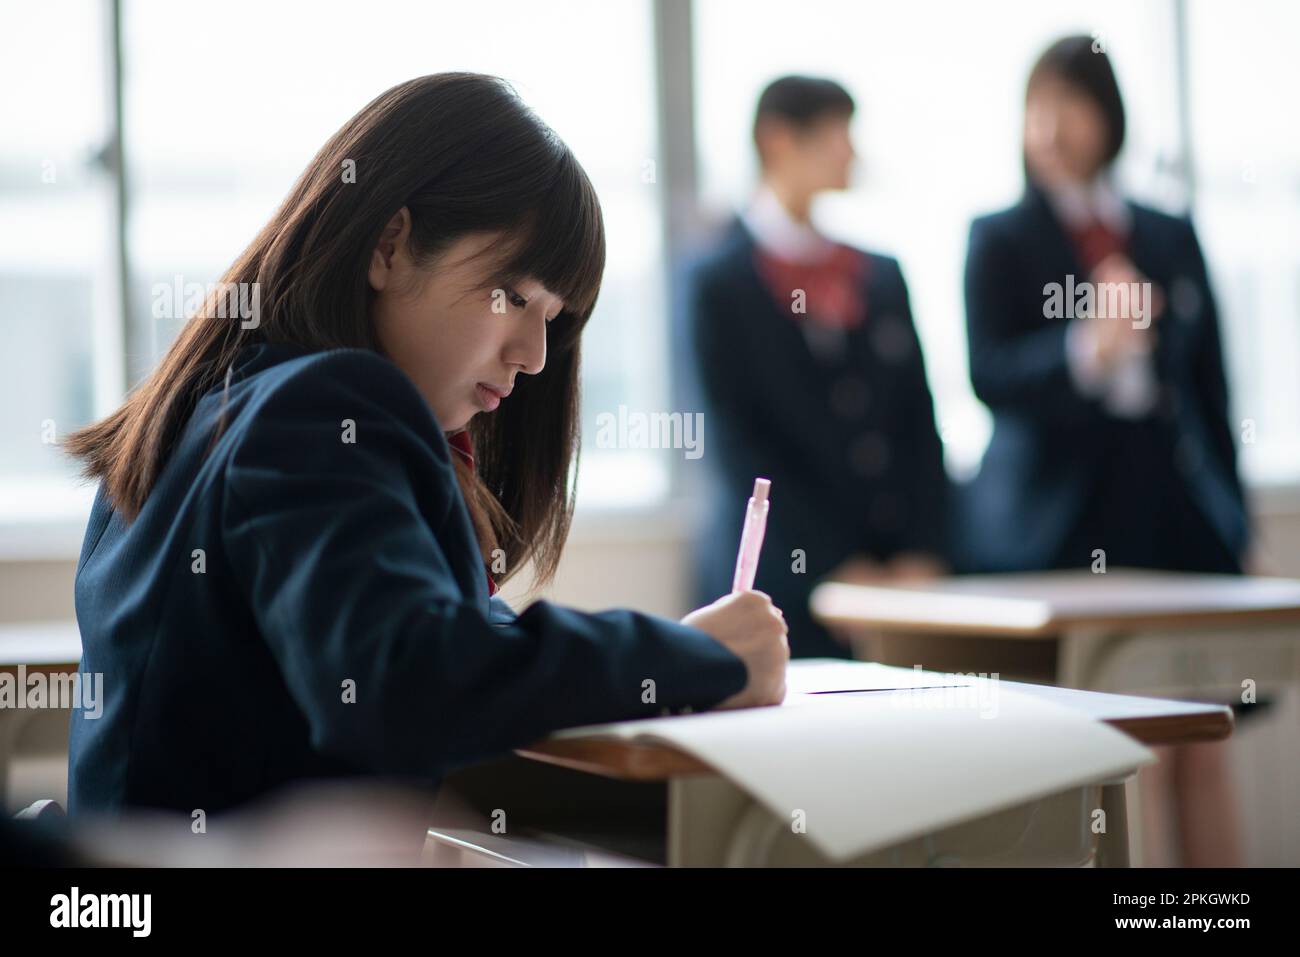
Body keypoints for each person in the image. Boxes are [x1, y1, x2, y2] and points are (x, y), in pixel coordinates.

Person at [62, 73, 788, 817]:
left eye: (551, 318)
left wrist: (662, 651)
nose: (536, 356)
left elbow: (406, 630)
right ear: (390, 246)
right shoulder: (320, 408)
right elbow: (406, 677)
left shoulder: (199, 411)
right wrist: (696, 658)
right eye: (512, 295)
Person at [962, 37, 1250, 866]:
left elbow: (1211, 389)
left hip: (1171, 519)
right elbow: (989, 375)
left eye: (1070, 105)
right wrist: (1084, 348)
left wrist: (1233, 519)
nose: (1050, 128)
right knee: (1118, 753)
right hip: (1060, 528)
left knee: (1203, 741)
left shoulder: (1166, 232)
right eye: (1036, 108)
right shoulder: (1000, 237)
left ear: (1109, 115)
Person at [685, 75, 948, 661]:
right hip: (775, 586)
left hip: (897, 581)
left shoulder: (879, 273)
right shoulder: (716, 282)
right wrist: (833, 568)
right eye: (836, 134)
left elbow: (919, 421)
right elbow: (733, 443)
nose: (851, 152)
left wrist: (923, 553)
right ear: (778, 140)